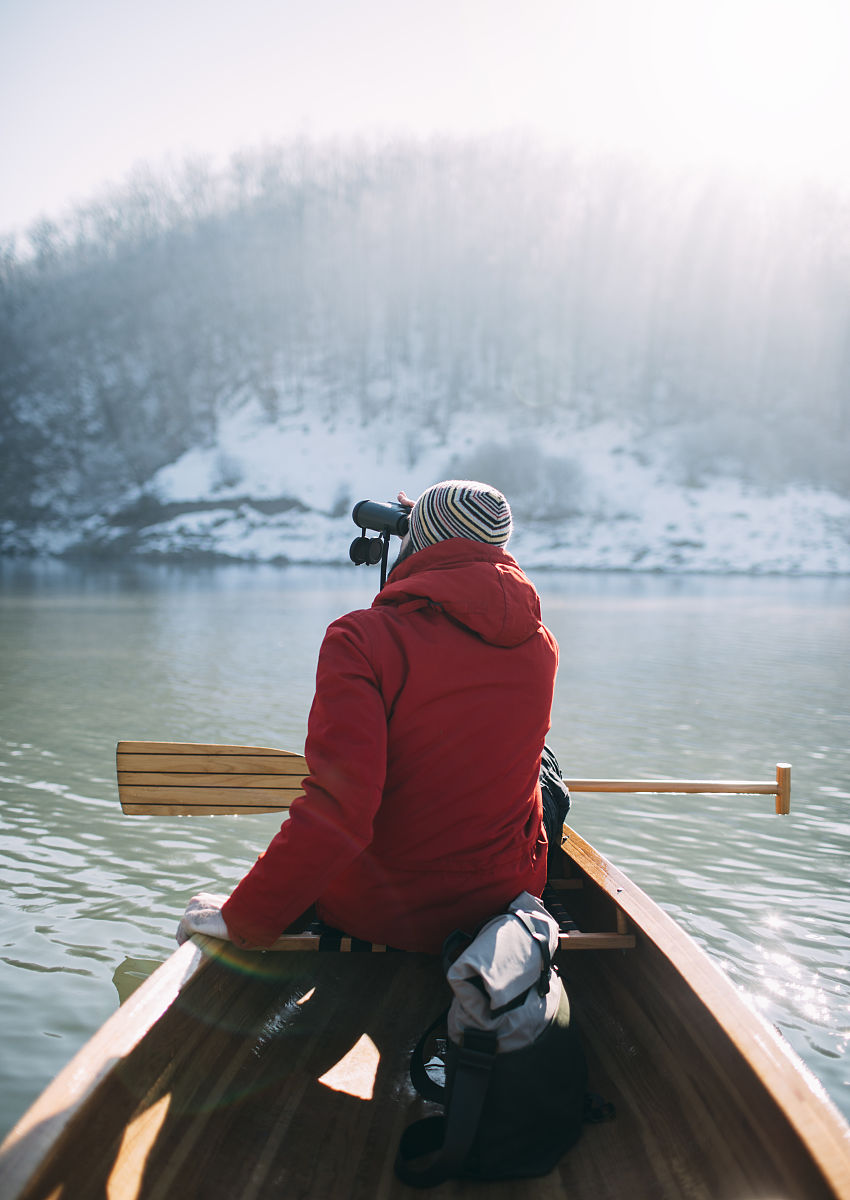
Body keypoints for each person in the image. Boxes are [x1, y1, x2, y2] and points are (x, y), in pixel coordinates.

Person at [177, 480, 559, 954]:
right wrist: (433, 523)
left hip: (385, 911)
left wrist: (243, 916)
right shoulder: (539, 643)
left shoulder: (361, 640)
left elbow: (343, 807)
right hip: (501, 900)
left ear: (418, 540)